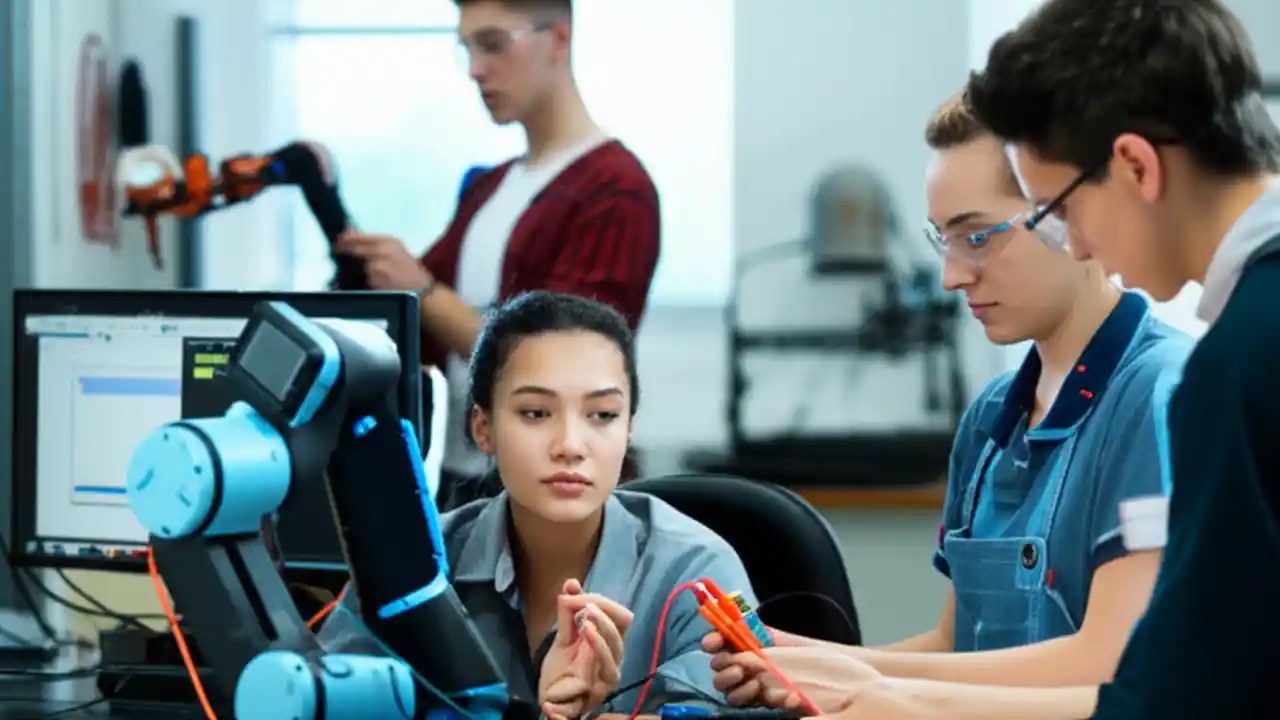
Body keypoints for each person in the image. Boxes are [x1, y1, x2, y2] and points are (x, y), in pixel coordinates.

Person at [721, 1, 1280, 717]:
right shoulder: (1007, 415)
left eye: (1054, 211)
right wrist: (826, 669)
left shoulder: (1218, 372)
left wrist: (897, 700)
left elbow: (1159, 684)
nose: (1074, 244)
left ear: (1136, 164)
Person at [318, 291, 754, 720]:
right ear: (483, 427)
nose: (570, 446)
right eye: (535, 413)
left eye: (602, 415)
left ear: (629, 430)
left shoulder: (695, 573)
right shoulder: (412, 566)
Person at [333, 0, 661, 490]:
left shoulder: (616, 190)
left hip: (560, 490)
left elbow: (567, 361)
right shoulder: (491, 187)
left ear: (559, 38)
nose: (475, 69)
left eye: (493, 44)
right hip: (463, 478)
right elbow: (411, 324)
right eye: (466, 48)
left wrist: (422, 291)